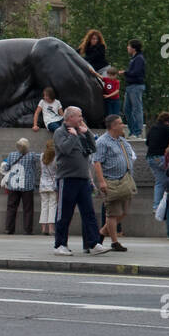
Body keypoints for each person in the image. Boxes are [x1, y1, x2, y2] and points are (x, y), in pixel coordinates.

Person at [52, 106, 106, 256]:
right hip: (67, 179)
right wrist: (73, 136)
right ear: (69, 118)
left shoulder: (80, 132)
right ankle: (60, 244)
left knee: (88, 212)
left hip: (83, 179)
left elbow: (92, 148)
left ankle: (93, 243)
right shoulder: (60, 132)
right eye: (79, 116)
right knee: (64, 213)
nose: (81, 119)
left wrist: (86, 133)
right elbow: (65, 149)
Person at [91, 115, 136, 252]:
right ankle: (114, 242)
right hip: (111, 180)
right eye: (120, 123)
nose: (123, 126)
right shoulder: (102, 142)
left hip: (125, 180)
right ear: (113, 126)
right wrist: (102, 182)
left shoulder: (121, 141)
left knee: (125, 211)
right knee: (113, 213)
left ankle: (101, 234)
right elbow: (97, 162)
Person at [0, 137, 41, 235]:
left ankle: (9, 229)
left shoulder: (12, 155)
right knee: (28, 209)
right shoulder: (32, 155)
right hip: (27, 186)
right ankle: (27, 230)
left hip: (13, 185)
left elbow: (6, 167)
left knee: (11, 207)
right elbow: (43, 157)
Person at [145, 111, 169, 210]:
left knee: (160, 181)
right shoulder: (168, 128)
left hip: (150, 157)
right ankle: (164, 205)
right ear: (168, 121)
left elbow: (148, 143)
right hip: (160, 156)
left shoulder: (152, 128)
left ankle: (157, 206)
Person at [121, 39, 146, 136]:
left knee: (136, 109)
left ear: (133, 48)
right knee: (127, 109)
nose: (127, 48)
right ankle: (132, 130)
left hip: (136, 86)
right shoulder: (134, 58)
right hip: (130, 86)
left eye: (129, 46)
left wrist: (125, 72)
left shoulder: (139, 58)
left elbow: (137, 72)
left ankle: (137, 132)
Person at [38, 139, 58, 235]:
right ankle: (51, 229)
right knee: (53, 205)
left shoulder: (42, 156)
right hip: (53, 184)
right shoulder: (56, 158)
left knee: (44, 206)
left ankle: (43, 229)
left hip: (43, 184)